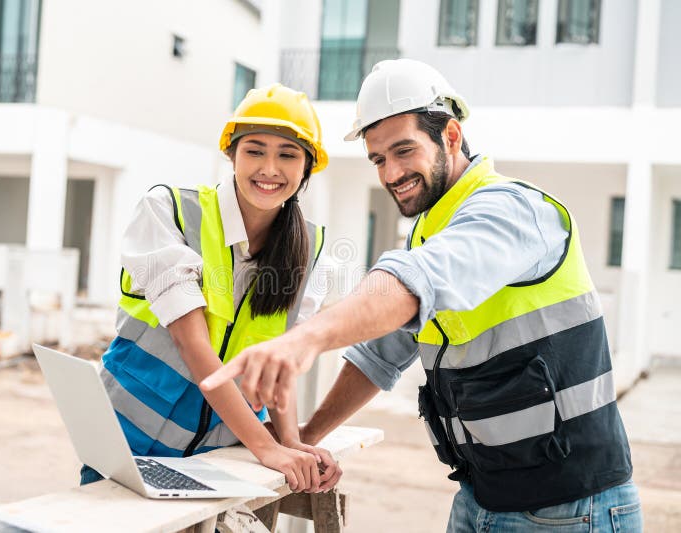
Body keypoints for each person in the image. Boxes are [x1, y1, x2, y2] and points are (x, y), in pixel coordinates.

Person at [202, 59, 641, 530]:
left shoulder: (510, 209)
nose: (391, 173)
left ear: (451, 136)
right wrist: (305, 438)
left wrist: (302, 340)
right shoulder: (431, 232)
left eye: (403, 150)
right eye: (377, 159)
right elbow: (378, 356)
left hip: (572, 508)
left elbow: (413, 281)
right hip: (481, 498)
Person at [81, 83, 341, 494]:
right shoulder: (170, 212)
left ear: (306, 168)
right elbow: (191, 344)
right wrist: (266, 448)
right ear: (231, 154)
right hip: (126, 445)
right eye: (255, 150)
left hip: (218, 460)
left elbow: (279, 367)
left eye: (287, 155)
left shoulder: (312, 252)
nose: (270, 168)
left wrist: (290, 441)